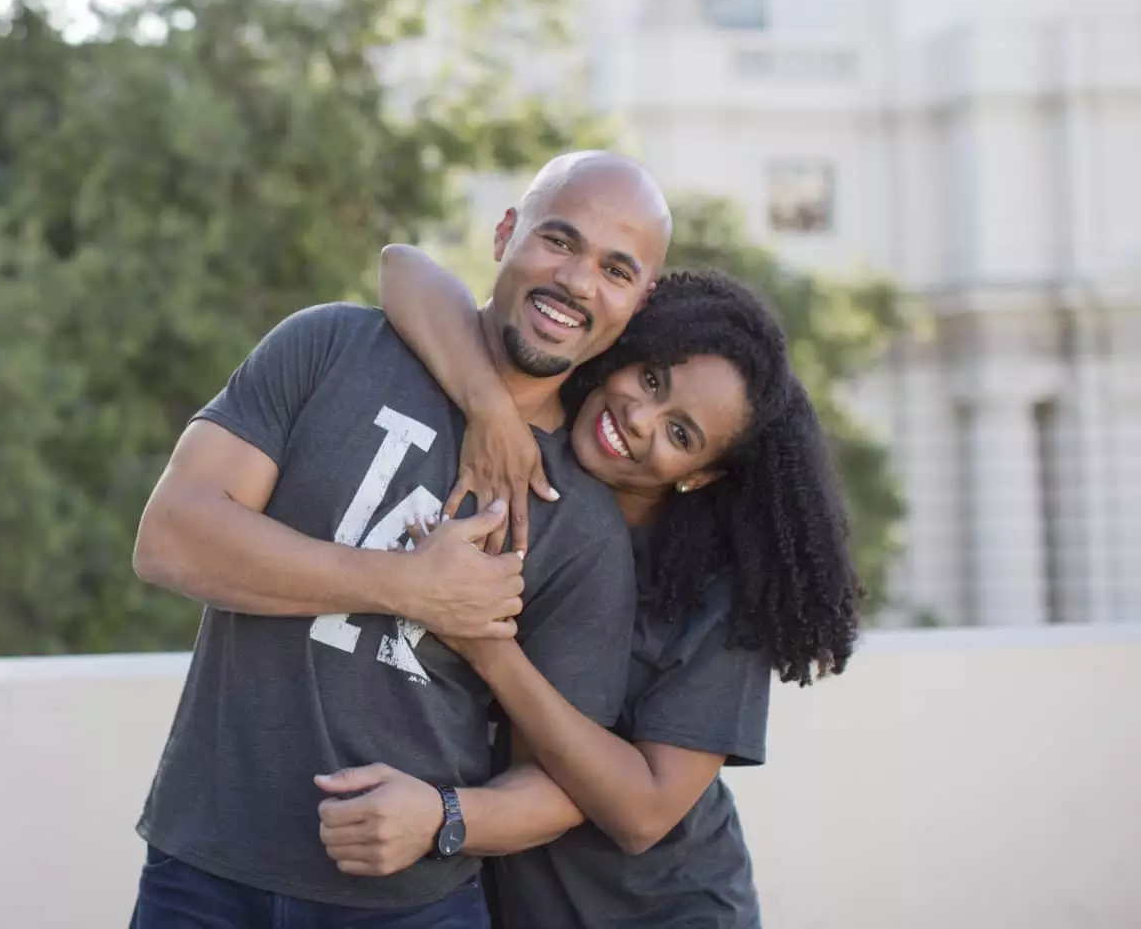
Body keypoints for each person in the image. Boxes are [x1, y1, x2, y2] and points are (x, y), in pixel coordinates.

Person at [128, 152, 673, 927]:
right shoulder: (329, 348)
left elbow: (561, 779)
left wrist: (446, 815)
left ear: (637, 302)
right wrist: (409, 585)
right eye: (560, 241)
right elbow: (171, 539)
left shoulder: (581, 520)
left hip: (407, 908)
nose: (578, 282)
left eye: (616, 270)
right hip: (202, 874)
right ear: (505, 233)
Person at [317, 249, 862, 928]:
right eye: (653, 378)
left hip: (660, 912)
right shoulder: (535, 443)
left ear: (700, 474)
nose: (640, 418)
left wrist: (488, 646)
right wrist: (491, 412)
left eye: (680, 433)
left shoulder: (719, 597)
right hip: (504, 902)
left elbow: (644, 813)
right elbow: (402, 271)